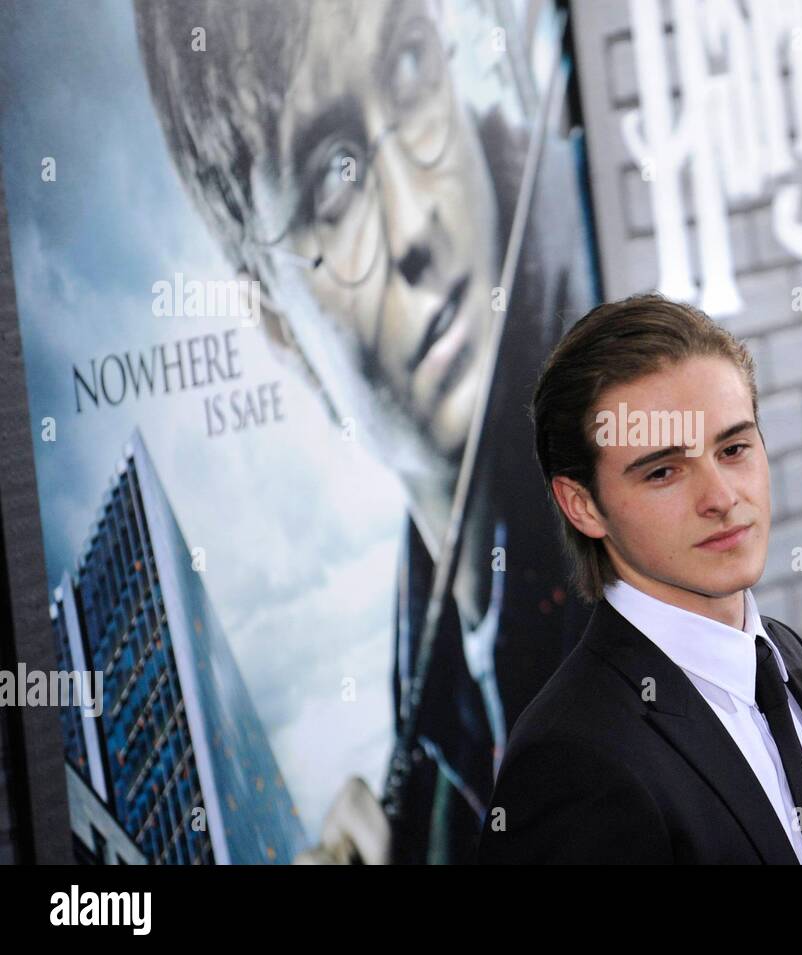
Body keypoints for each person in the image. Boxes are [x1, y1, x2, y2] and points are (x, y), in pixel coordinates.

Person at [134, 0, 595, 862]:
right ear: (276, 323)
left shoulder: (624, 476)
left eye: (412, 69)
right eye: (331, 180)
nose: (416, 220)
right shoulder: (433, 715)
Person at [476, 294, 802, 863]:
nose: (721, 498)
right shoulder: (569, 758)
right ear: (583, 505)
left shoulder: (786, 660)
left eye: (734, 448)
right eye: (664, 471)